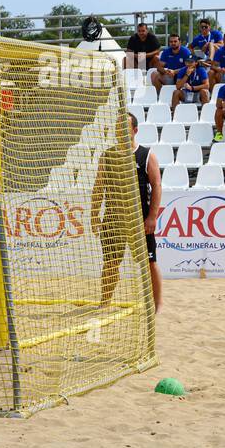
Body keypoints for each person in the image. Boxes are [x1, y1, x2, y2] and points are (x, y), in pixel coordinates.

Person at [93, 111, 161, 312]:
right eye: (117, 128)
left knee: (149, 263)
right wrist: (93, 214)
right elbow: (99, 187)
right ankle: (104, 303)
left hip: (139, 219)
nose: (119, 131)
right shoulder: (108, 155)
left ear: (134, 130)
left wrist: (152, 217)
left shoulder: (146, 154)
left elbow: (156, 185)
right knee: (111, 263)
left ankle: (157, 305)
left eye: (124, 127)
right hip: (113, 219)